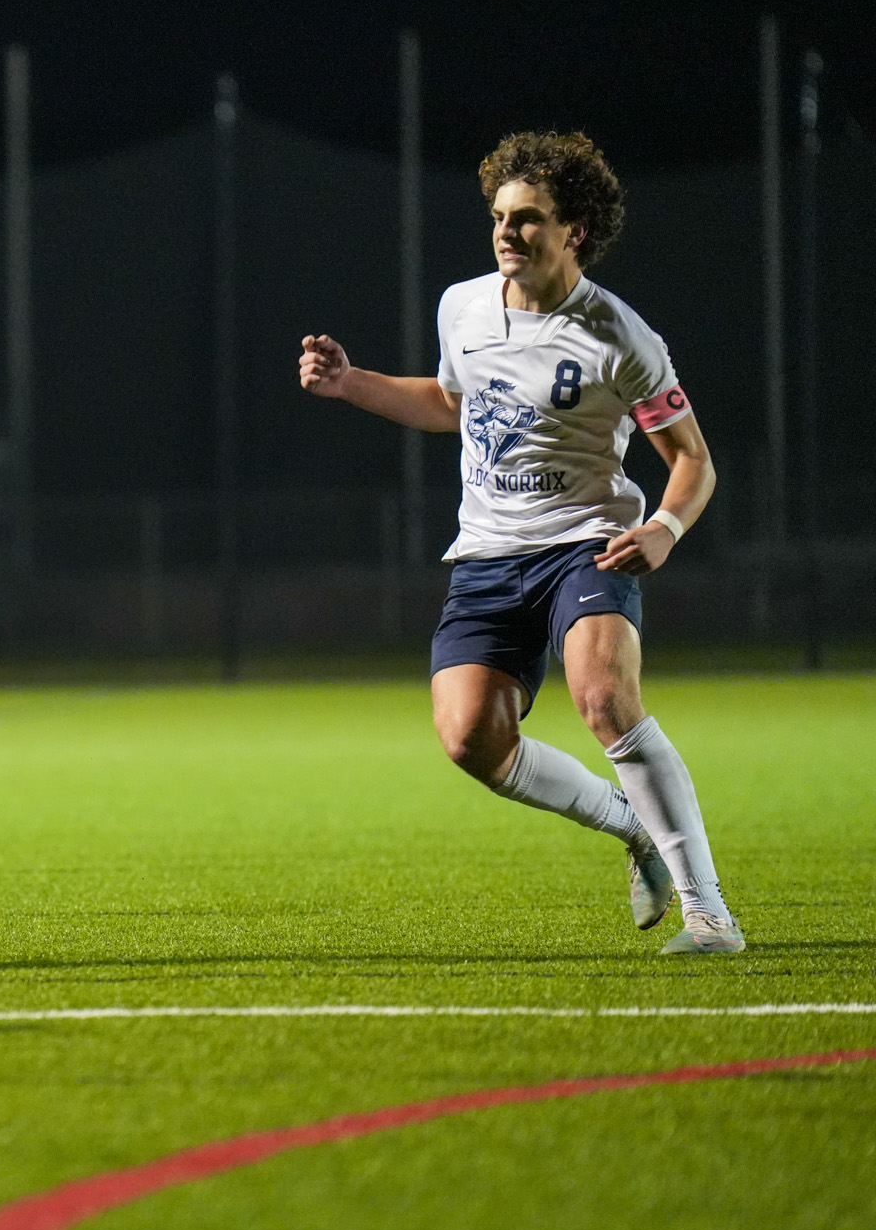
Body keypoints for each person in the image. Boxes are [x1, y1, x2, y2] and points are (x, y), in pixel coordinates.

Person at [298, 131, 742, 954]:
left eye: (528, 218)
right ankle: (632, 827)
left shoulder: (619, 337)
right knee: (469, 736)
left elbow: (693, 461)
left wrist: (664, 528)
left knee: (604, 699)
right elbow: (452, 403)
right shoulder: (463, 307)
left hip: (588, 542)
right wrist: (350, 382)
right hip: (487, 556)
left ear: (574, 231)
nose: (507, 232)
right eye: (500, 216)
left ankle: (709, 913)